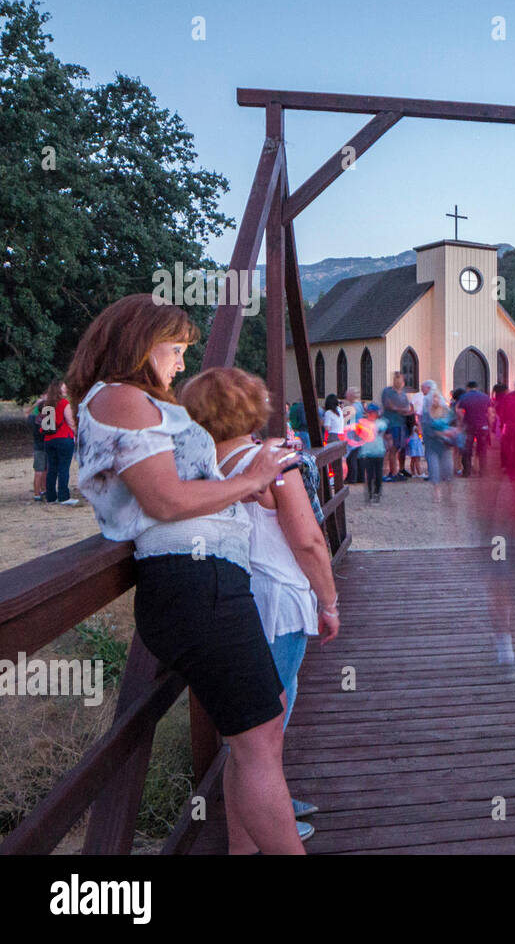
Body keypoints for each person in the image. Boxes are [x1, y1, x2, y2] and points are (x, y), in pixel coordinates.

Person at [67, 293, 303, 854]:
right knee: (257, 740)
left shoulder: (134, 401)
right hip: (194, 584)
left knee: (258, 737)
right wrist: (256, 476)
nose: (179, 363)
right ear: (138, 346)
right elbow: (167, 501)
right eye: (173, 350)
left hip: (207, 581)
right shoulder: (121, 398)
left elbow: (180, 484)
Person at [182, 367, 342, 841]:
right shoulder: (274, 464)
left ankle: (246, 836)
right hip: (275, 606)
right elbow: (308, 541)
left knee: (248, 736)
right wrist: (329, 601)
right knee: (266, 730)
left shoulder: (201, 469)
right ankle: (266, 829)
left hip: (230, 602)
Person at [39, 378, 80, 504]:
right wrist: (77, 435)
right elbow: (70, 422)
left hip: (49, 439)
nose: (66, 388)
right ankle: (64, 496)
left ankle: (51, 496)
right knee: (64, 468)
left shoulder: (46, 405)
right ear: (59, 389)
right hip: (64, 438)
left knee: (52, 468)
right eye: (63, 387)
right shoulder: (63, 403)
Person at [421, 385, 460, 499]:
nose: (435, 400)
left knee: (448, 468)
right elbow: (427, 430)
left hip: (445, 445)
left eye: (437, 398)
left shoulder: (447, 411)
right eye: (433, 398)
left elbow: (454, 423)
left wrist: (452, 432)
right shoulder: (427, 414)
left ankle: (449, 491)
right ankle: (437, 492)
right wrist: (443, 433)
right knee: (434, 469)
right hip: (432, 445)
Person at [456, 380, 492, 476]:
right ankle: (483, 471)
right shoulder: (485, 397)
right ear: (477, 387)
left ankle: (467, 471)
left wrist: (461, 422)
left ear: (468, 388)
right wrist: (490, 425)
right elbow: (489, 412)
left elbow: (459, 411)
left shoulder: (464, 397)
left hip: (469, 425)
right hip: (482, 425)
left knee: (467, 449)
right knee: (482, 449)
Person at [380, 372, 411, 481]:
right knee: (392, 448)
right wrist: (401, 410)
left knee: (396, 448)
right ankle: (392, 472)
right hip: (391, 423)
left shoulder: (402, 394)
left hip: (401, 423)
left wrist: (405, 411)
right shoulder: (388, 391)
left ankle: (393, 471)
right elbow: (388, 405)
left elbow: (406, 408)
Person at [356, 404, 387, 503]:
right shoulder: (363, 423)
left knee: (378, 474)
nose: (371, 414)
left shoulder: (381, 424)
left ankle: (377, 492)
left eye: (373, 412)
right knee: (369, 474)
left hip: (378, 452)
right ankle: (370, 493)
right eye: (370, 412)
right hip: (368, 453)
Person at [27, 400, 47, 502]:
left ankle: (38, 492)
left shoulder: (33, 418)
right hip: (45, 447)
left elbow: (27, 413)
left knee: (39, 471)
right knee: (43, 471)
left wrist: (35, 404)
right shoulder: (48, 420)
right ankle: (42, 491)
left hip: (37, 447)